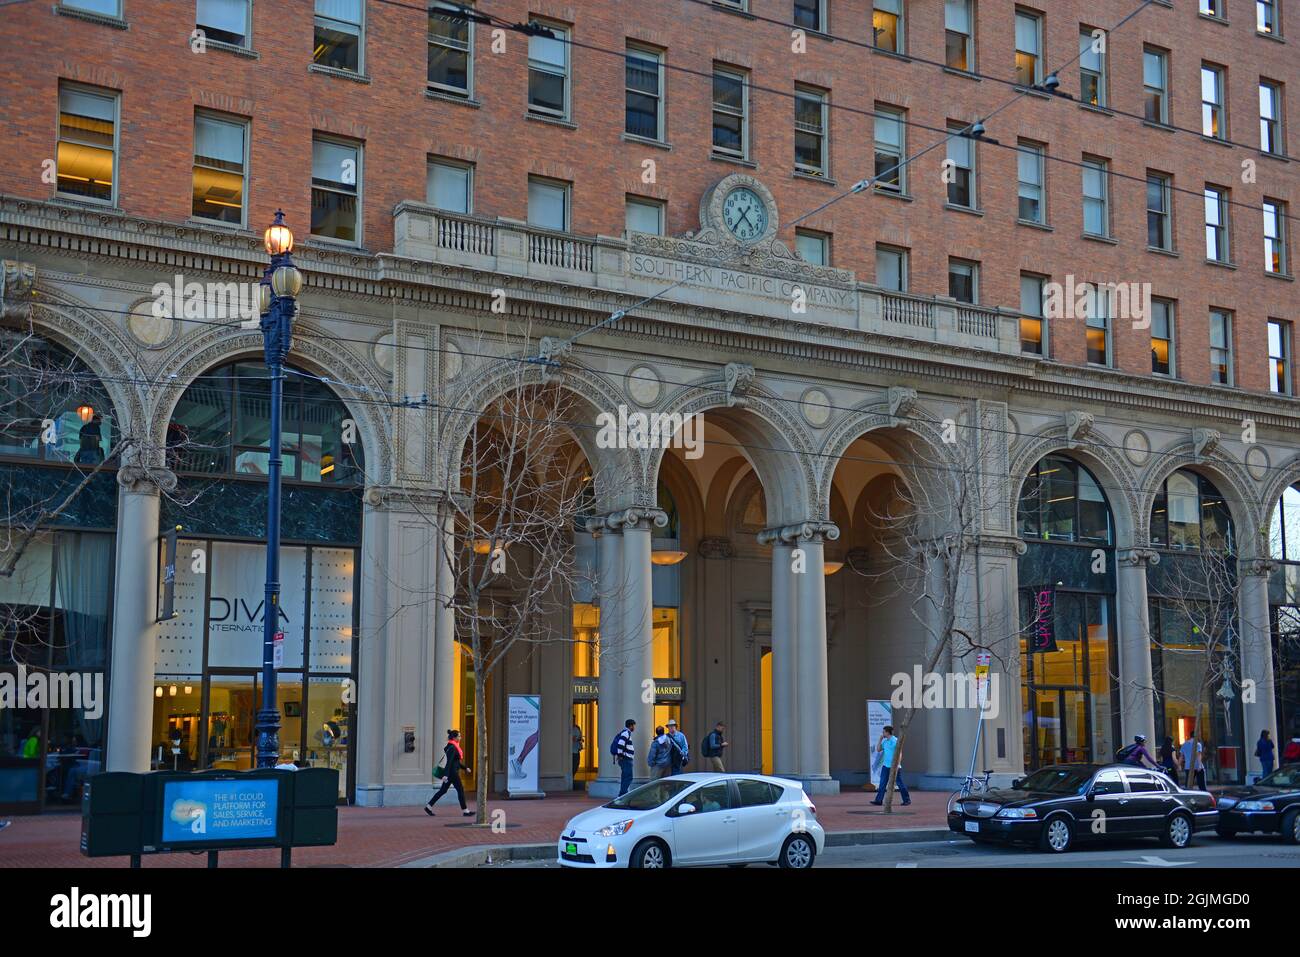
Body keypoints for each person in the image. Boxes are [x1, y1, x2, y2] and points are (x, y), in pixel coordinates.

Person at [425, 729, 473, 817]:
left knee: (443, 791)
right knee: (460, 790)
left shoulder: (453, 746)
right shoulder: (453, 748)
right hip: (452, 773)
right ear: (454, 738)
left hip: (451, 773)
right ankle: (465, 810)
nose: (460, 737)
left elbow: (456, 762)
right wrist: (445, 775)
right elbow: (449, 762)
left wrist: (465, 768)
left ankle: (428, 807)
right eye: (459, 736)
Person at [871, 725, 910, 806]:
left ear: (887, 732)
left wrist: (897, 764)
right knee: (882, 783)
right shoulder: (885, 741)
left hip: (895, 766)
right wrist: (880, 739)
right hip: (885, 766)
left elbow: (900, 753)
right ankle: (878, 800)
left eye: (883, 732)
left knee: (899, 783)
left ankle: (907, 800)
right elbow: (878, 750)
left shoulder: (895, 740)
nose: (882, 733)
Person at [612, 719, 636, 796]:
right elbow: (620, 744)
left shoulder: (626, 733)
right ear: (631, 725)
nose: (634, 727)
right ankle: (623, 794)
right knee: (628, 777)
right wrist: (620, 755)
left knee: (625, 777)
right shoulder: (626, 733)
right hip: (626, 759)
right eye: (634, 725)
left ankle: (622, 793)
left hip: (626, 759)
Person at [570, 720, 584, 789]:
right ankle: (571, 780)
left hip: (576, 750)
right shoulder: (568, 728)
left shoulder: (577, 728)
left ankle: (572, 777)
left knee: (576, 765)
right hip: (570, 751)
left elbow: (580, 737)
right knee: (571, 766)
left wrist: (579, 739)